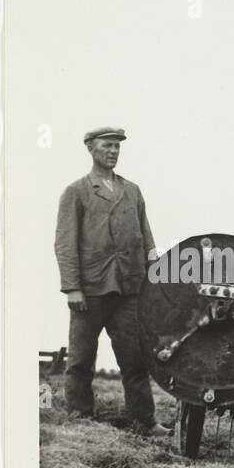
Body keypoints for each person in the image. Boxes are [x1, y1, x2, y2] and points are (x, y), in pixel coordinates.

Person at [54, 126, 163, 434]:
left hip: (129, 288)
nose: (113, 151)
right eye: (107, 146)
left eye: (117, 146)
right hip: (90, 290)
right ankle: (81, 420)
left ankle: (144, 421)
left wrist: (153, 276)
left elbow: (147, 237)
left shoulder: (132, 190)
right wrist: (72, 287)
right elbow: (64, 242)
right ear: (90, 148)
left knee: (135, 359)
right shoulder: (76, 191)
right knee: (80, 361)